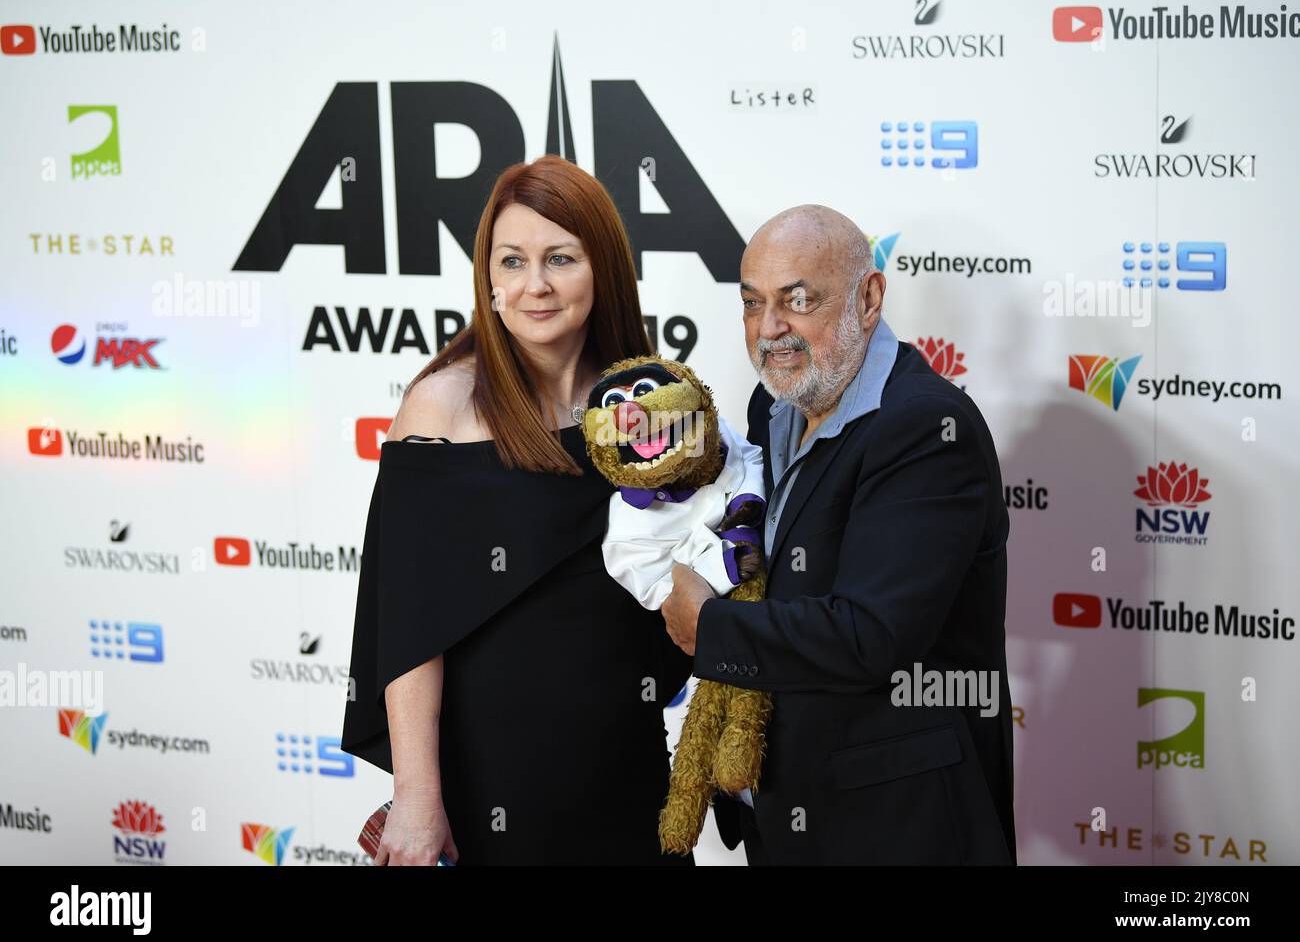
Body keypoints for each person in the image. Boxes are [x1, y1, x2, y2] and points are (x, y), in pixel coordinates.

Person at [341, 155, 693, 865]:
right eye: (512, 261)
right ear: (488, 277)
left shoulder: (647, 401)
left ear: (604, 270)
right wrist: (416, 796)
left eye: (560, 258)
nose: (535, 285)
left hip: (627, 766)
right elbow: (410, 624)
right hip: (493, 782)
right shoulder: (440, 407)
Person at [661, 205, 1017, 864]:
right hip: (791, 813)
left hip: (898, 828)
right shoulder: (775, 404)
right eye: (752, 303)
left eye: (797, 300)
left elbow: (870, 635)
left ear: (869, 298)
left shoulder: (927, 427)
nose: (771, 329)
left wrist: (707, 627)